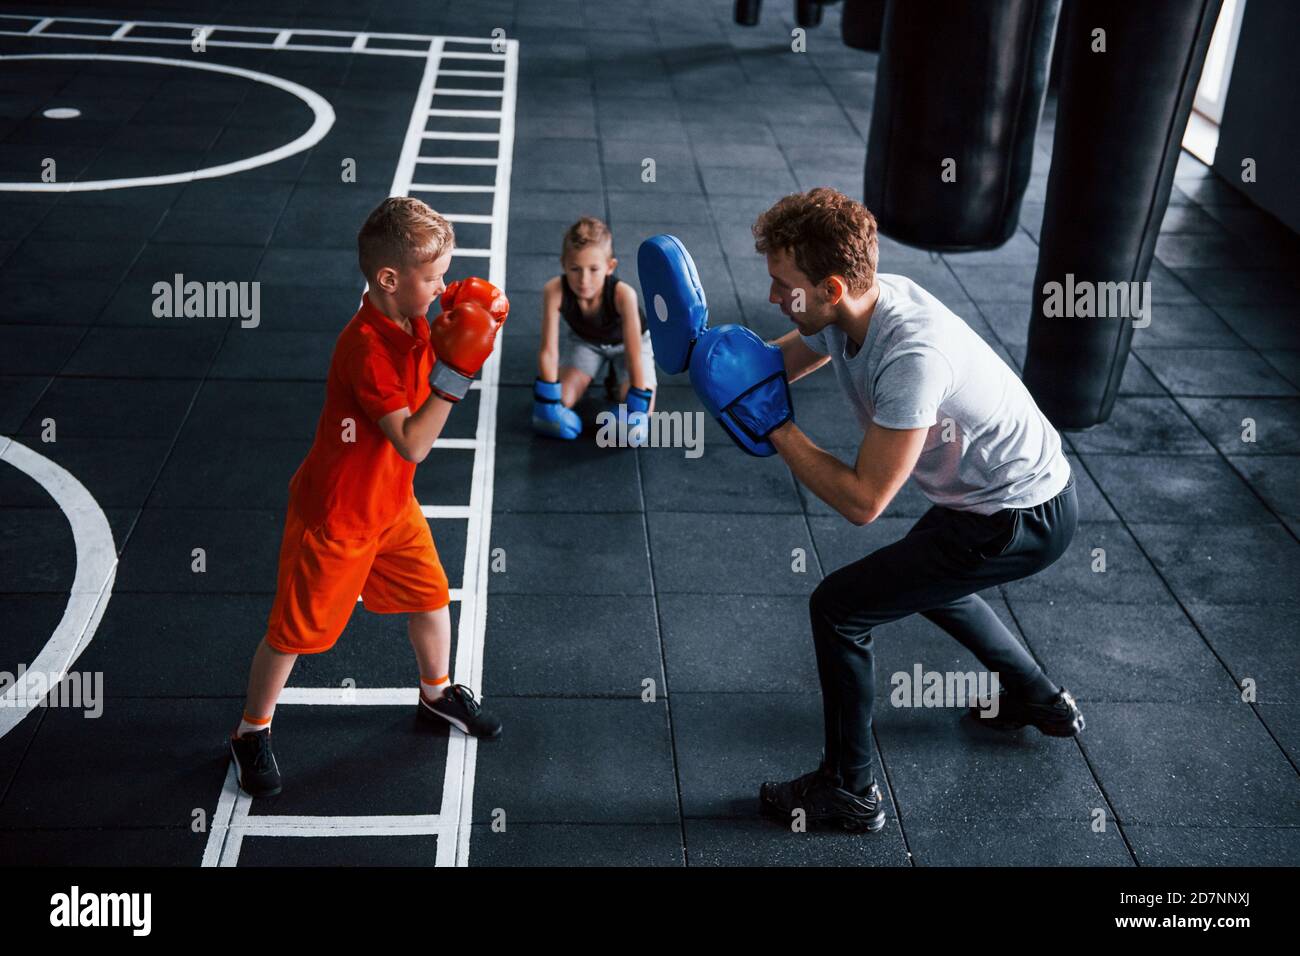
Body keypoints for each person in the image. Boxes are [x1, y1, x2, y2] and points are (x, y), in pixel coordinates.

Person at [640, 187, 1082, 834]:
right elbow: (775, 364)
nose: (772, 297)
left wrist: (774, 426)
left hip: (1020, 515)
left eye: (784, 286)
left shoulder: (911, 359)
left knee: (840, 609)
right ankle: (1039, 698)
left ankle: (850, 790)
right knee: (934, 586)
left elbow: (862, 500)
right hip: (996, 498)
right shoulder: (854, 309)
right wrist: (719, 361)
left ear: (832, 287)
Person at [229, 197, 506, 799]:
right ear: (388, 279)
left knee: (431, 598)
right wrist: (458, 372)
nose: (443, 288)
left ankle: (436, 694)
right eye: (433, 278)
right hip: (338, 517)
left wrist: (467, 320)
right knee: (292, 635)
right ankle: (251, 731)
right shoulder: (364, 349)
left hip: (392, 506)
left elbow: (435, 346)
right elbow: (413, 442)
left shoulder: (414, 319)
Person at [532, 216, 657, 445]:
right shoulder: (554, 291)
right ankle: (594, 378)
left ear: (610, 267)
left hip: (628, 346)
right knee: (562, 400)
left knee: (640, 417)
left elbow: (634, 354)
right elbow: (548, 351)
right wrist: (548, 404)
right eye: (575, 269)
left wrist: (637, 404)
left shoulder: (624, 295)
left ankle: (618, 383)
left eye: (594, 269)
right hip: (586, 343)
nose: (584, 280)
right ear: (563, 264)